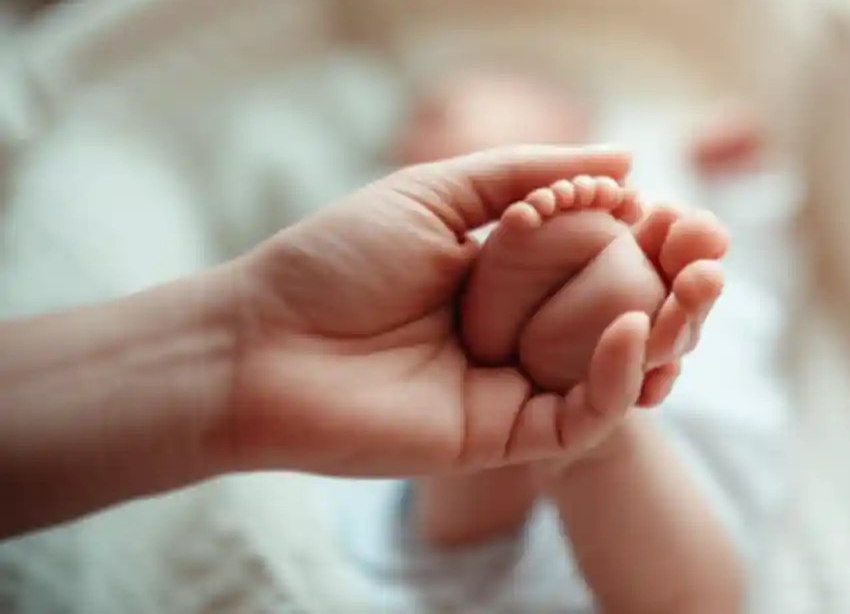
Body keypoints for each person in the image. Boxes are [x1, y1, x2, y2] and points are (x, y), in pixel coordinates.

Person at [0, 145, 719, 541]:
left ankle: (574, 412)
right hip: (448, 424)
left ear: (570, 131)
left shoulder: (662, 184)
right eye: (436, 117)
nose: (451, 125)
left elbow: (755, 207)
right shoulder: (371, 195)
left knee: (480, 510)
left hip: (477, 457)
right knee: (684, 595)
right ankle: (585, 417)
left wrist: (726, 149)